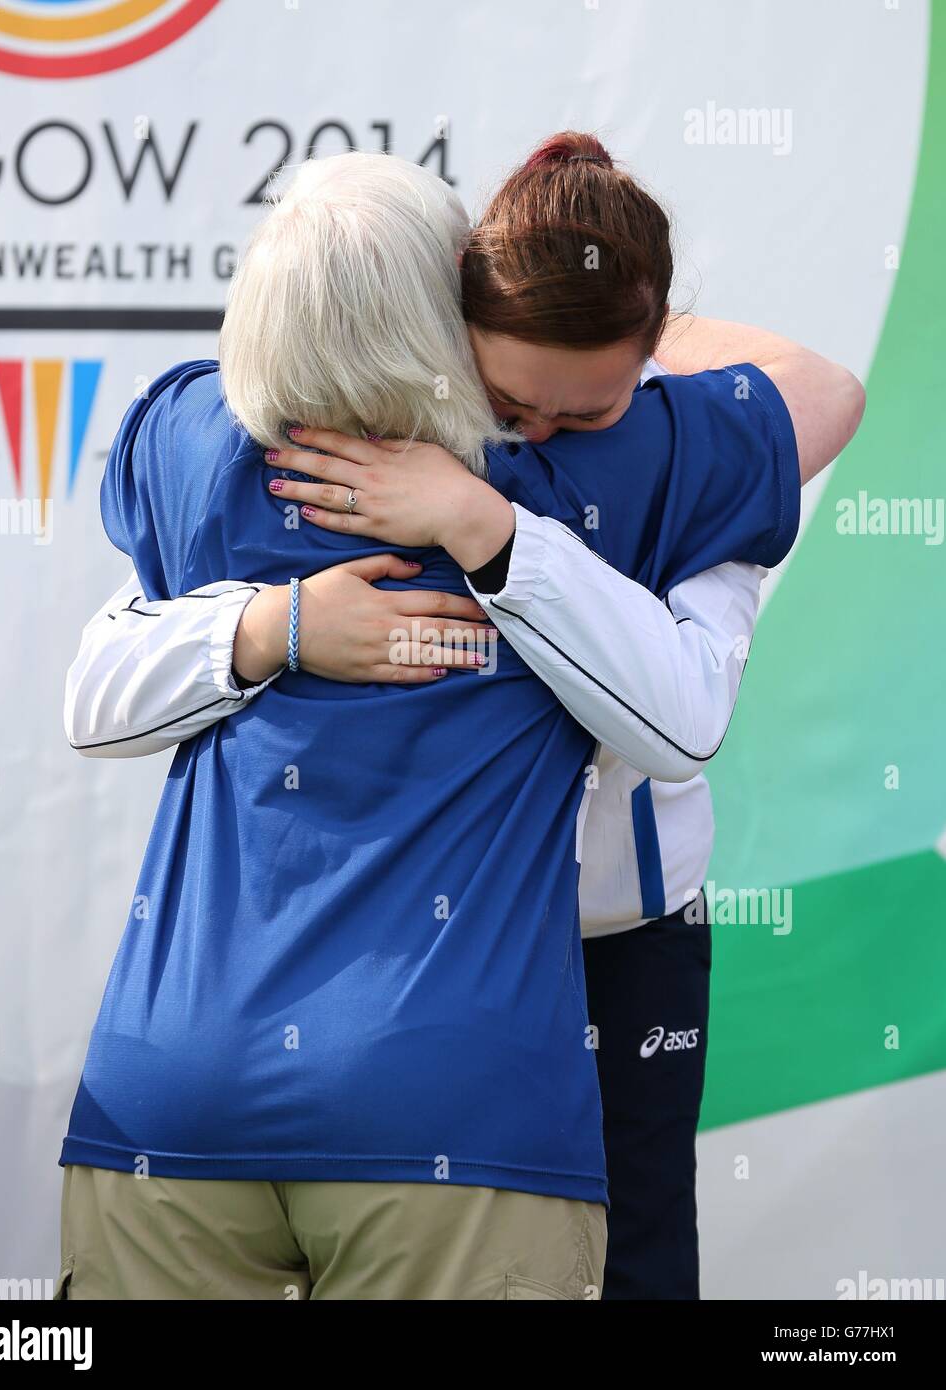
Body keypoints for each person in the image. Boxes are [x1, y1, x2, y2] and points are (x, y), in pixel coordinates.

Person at [58, 146, 860, 1301]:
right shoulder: (630, 467)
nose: (533, 431)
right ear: (446, 313)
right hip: (462, 1055)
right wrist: (284, 623)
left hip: (571, 962)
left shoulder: (206, 444)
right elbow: (820, 396)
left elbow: (682, 715)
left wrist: (504, 493)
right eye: (509, 393)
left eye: (581, 403)